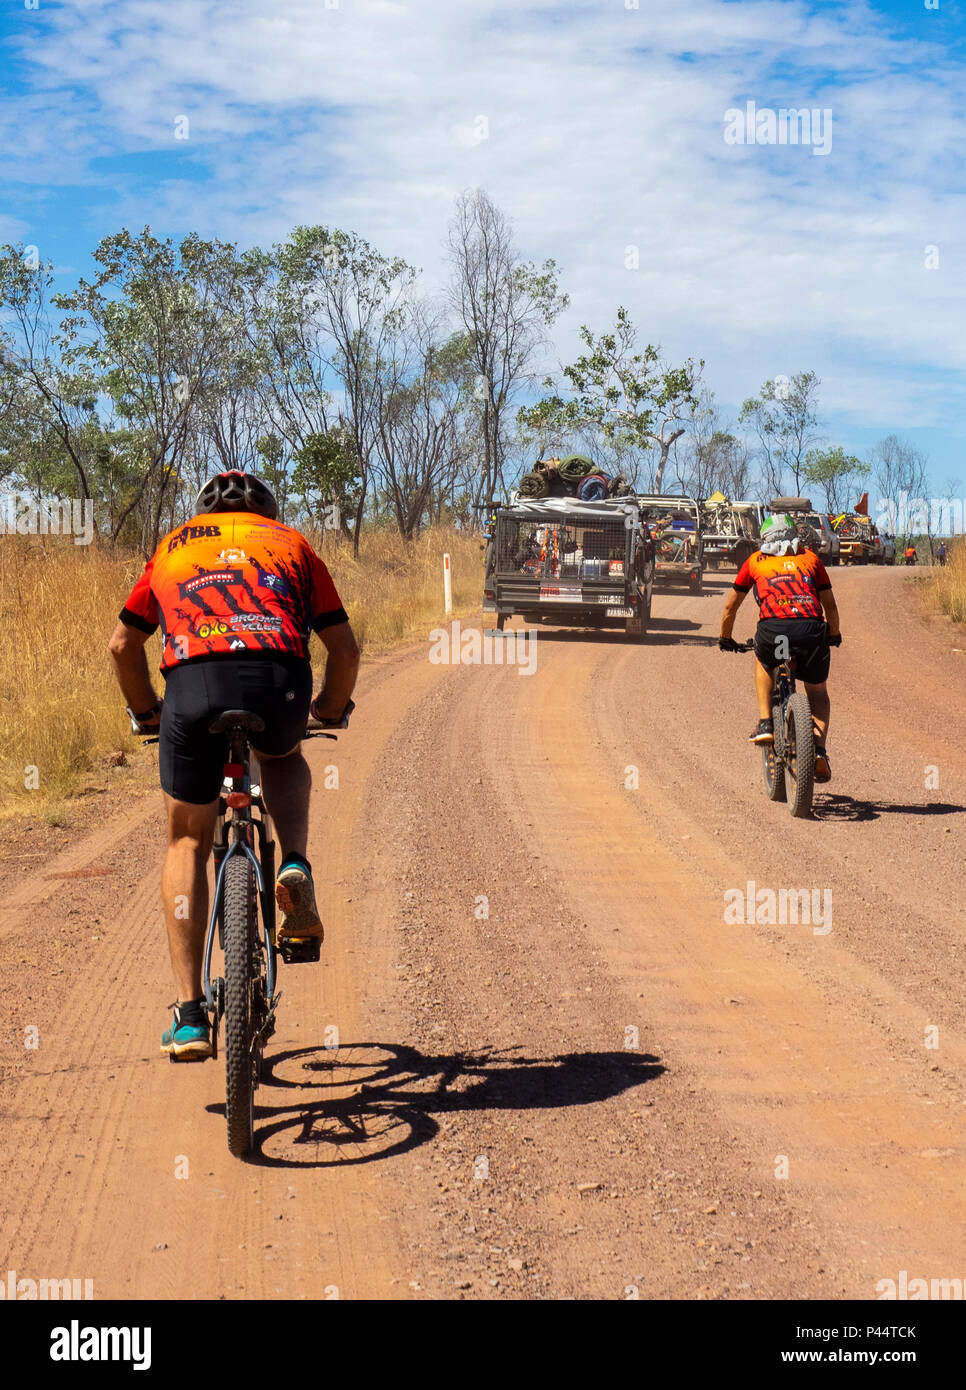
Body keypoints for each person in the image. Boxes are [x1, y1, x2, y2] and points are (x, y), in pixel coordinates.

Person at [108, 470, 360, 1060]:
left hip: (193, 689)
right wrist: (326, 708)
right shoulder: (293, 544)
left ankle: (190, 1014)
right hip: (278, 682)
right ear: (266, 511)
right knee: (283, 754)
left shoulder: (172, 546)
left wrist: (147, 712)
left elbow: (123, 645)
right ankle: (293, 862)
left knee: (186, 842)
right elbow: (343, 649)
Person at [718, 515, 841, 783]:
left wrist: (726, 638)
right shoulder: (810, 559)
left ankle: (765, 722)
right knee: (817, 692)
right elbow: (829, 605)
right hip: (810, 629)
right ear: (794, 534)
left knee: (764, 660)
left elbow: (730, 607)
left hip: (773, 630)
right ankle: (818, 750)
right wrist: (833, 634)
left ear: (764, 539)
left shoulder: (754, 562)